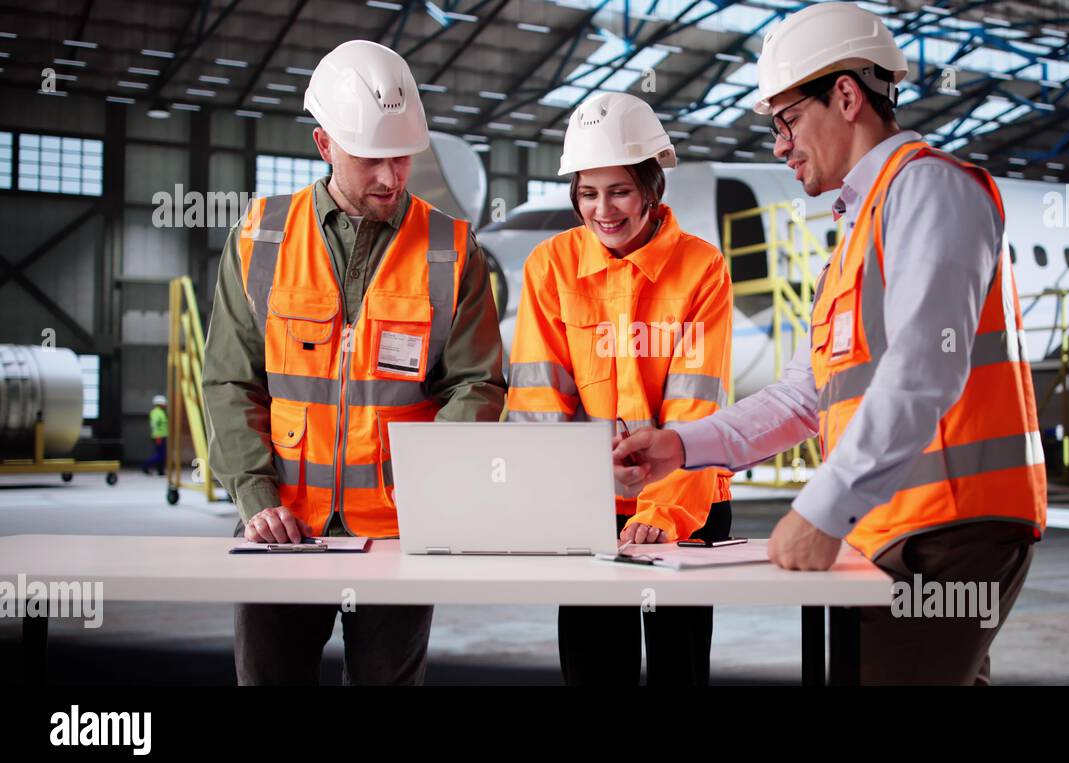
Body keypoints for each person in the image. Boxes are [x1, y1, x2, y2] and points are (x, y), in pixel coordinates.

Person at [612, 2, 1046, 685]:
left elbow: (923, 370)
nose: (779, 144)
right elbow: (802, 396)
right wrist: (681, 445)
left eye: (786, 120)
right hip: (897, 528)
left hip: (951, 527)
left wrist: (820, 507)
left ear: (846, 96)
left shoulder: (928, 188)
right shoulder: (856, 235)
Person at [202, 40, 505, 686]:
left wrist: (428, 495)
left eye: (402, 157)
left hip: (397, 535)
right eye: (372, 160)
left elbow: (477, 384)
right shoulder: (260, 239)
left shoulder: (452, 250)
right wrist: (256, 497)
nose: (392, 178)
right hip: (279, 528)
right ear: (324, 145)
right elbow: (231, 379)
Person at [507, 92, 734, 685]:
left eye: (619, 191)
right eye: (587, 192)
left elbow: (695, 403)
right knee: (592, 671)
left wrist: (662, 511)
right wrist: (554, 503)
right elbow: (538, 398)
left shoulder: (701, 267)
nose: (602, 210)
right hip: (590, 506)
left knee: (678, 674)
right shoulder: (550, 267)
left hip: (686, 506)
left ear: (650, 189)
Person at [143, 394, 168, 476]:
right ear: (160, 404)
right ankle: (145, 465)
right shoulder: (157, 412)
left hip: (161, 436)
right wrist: (158, 436)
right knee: (160, 455)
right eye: (164, 403)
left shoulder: (160, 412)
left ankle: (160, 471)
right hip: (159, 436)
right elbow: (156, 424)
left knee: (162, 455)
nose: (165, 405)